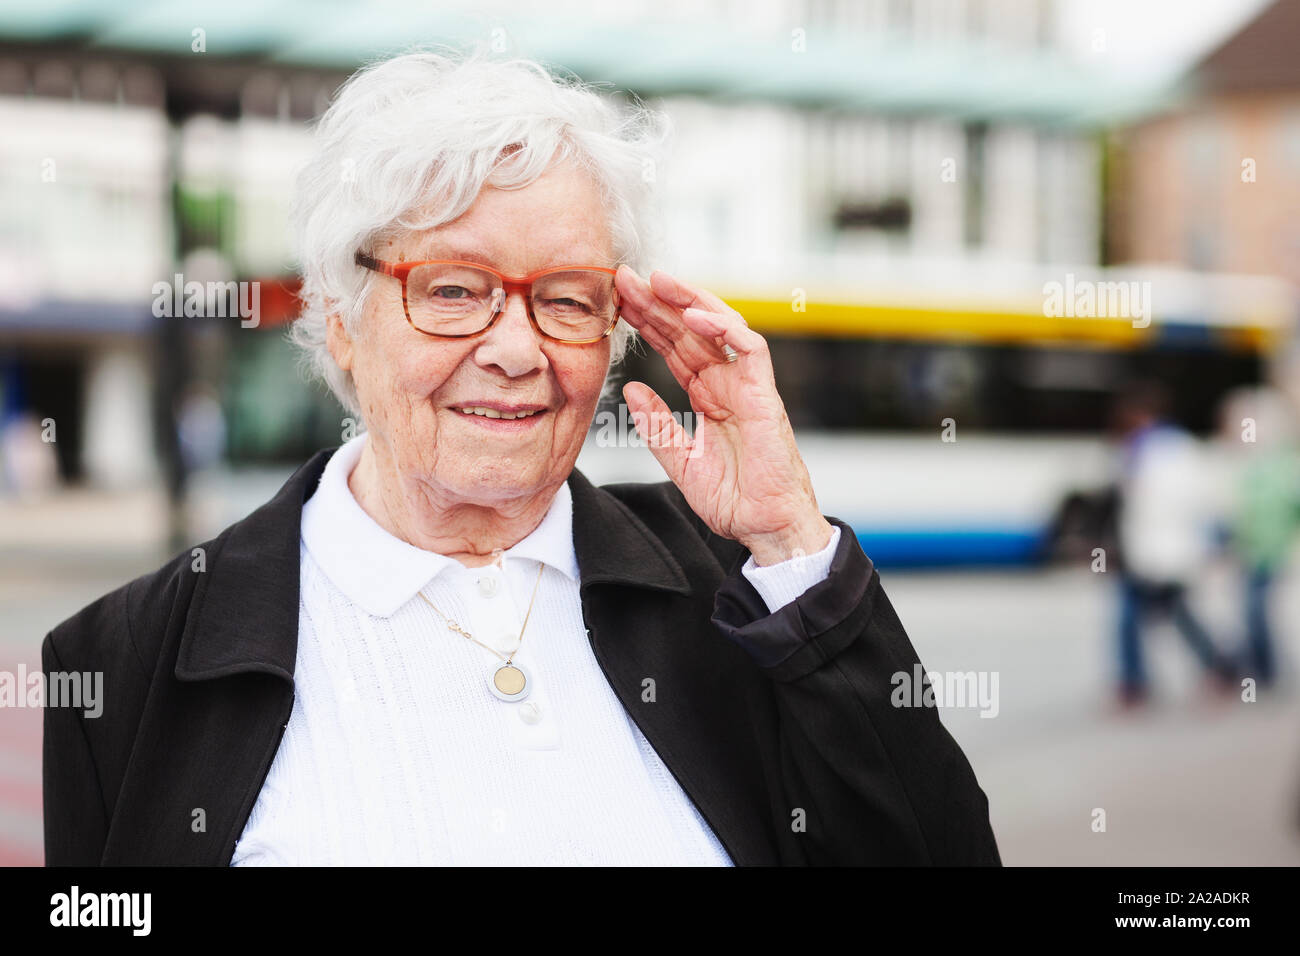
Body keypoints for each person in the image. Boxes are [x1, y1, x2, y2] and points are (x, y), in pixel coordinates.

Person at [41, 48, 999, 866]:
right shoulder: (127, 657)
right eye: (455, 289)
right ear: (340, 319)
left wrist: (790, 541)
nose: (515, 348)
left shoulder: (737, 590)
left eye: (569, 299)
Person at [1111, 381, 1237, 707]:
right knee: (1178, 614)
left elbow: (1147, 504)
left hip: (1155, 550)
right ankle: (1218, 667)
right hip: (1167, 550)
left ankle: (1134, 682)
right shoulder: (1180, 446)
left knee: (1131, 616)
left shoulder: (1146, 449)